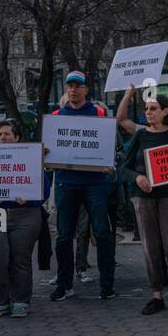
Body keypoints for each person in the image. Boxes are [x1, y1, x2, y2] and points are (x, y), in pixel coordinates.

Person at [117, 88, 168, 317]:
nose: (148, 112)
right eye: (147, 109)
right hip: (144, 198)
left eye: (153, 109)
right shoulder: (140, 136)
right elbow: (125, 168)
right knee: (150, 247)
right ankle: (156, 295)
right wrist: (137, 177)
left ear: (165, 111)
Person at [51, 70, 116, 302]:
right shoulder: (56, 115)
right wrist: (46, 155)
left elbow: (107, 142)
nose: (73, 89)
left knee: (101, 232)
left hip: (95, 182)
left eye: (78, 85)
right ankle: (64, 284)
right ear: (65, 90)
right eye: (70, 85)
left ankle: (107, 284)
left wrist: (108, 161)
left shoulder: (99, 113)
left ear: (86, 90)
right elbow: (49, 147)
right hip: (66, 182)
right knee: (63, 236)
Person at [0, 119, 49, 319]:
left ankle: (21, 301)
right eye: (0, 134)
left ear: (17, 138)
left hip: (25, 214)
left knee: (20, 259)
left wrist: (30, 196)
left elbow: (44, 188)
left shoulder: (30, 158)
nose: (3, 138)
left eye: (7, 134)